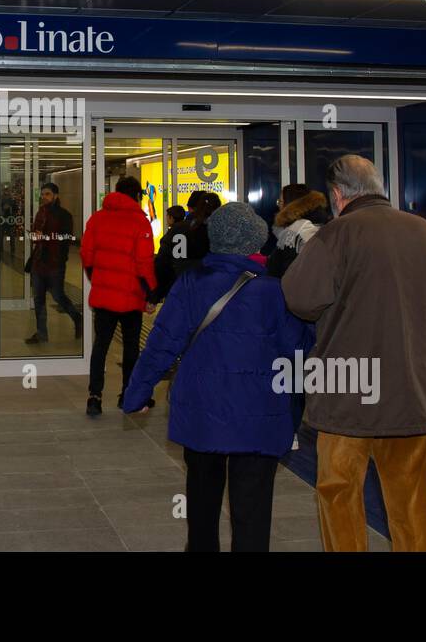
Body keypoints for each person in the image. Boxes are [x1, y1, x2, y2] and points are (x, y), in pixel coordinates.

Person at [283, 155, 426, 552]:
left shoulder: (335, 236)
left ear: (337, 194)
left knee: (339, 493)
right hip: (411, 391)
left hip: (345, 392)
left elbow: (300, 299)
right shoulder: (425, 231)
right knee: (412, 499)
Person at [123, 202, 314, 551]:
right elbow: (298, 351)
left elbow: (161, 344)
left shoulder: (190, 283)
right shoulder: (275, 291)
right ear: (256, 242)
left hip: (201, 410)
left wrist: (136, 394)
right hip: (259, 415)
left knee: (202, 498)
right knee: (252, 510)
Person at [80, 175, 157, 416]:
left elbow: (87, 255)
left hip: (104, 295)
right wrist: (151, 292)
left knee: (101, 345)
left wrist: (98, 279)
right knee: (131, 347)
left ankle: (94, 397)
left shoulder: (97, 218)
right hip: (130, 297)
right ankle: (128, 395)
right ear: (136, 195)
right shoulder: (140, 223)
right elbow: (144, 263)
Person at [24, 181, 83, 344]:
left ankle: (77, 318)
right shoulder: (40, 212)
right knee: (38, 299)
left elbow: (67, 238)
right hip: (38, 261)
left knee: (58, 296)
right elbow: (36, 234)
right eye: (42, 194)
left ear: (56, 196)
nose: (44, 197)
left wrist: (47, 237)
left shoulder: (64, 215)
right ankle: (42, 333)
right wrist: (35, 236)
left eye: (48, 194)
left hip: (55, 262)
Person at [151, 190, 222, 304]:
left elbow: (164, 263)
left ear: (190, 208)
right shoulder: (220, 232)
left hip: (181, 289)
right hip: (213, 292)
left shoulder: (180, 230)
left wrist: (157, 294)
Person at [265, 184, 329, 278]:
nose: (279, 206)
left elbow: (287, 272)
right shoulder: (319, 224)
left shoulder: (296, 231)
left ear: (291, 204)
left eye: (281, 202)